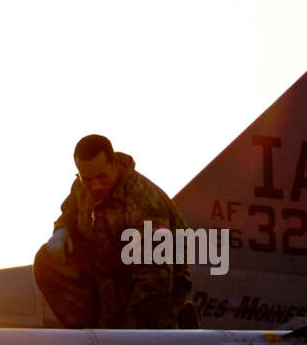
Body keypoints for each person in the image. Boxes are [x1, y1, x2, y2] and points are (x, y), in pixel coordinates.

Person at [34, 134, 198, 329]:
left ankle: (169, 325)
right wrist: (61, 230)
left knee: (136, 336)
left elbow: (155, 276)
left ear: (114, 164)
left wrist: (129, 334)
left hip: (156, 284)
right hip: (110, 276)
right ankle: (93, 330)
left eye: (101, 177)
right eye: (87, 179)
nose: (95, 186)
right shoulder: (82, 187)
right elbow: (70, 212)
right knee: (47, 260)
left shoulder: (143, 202)